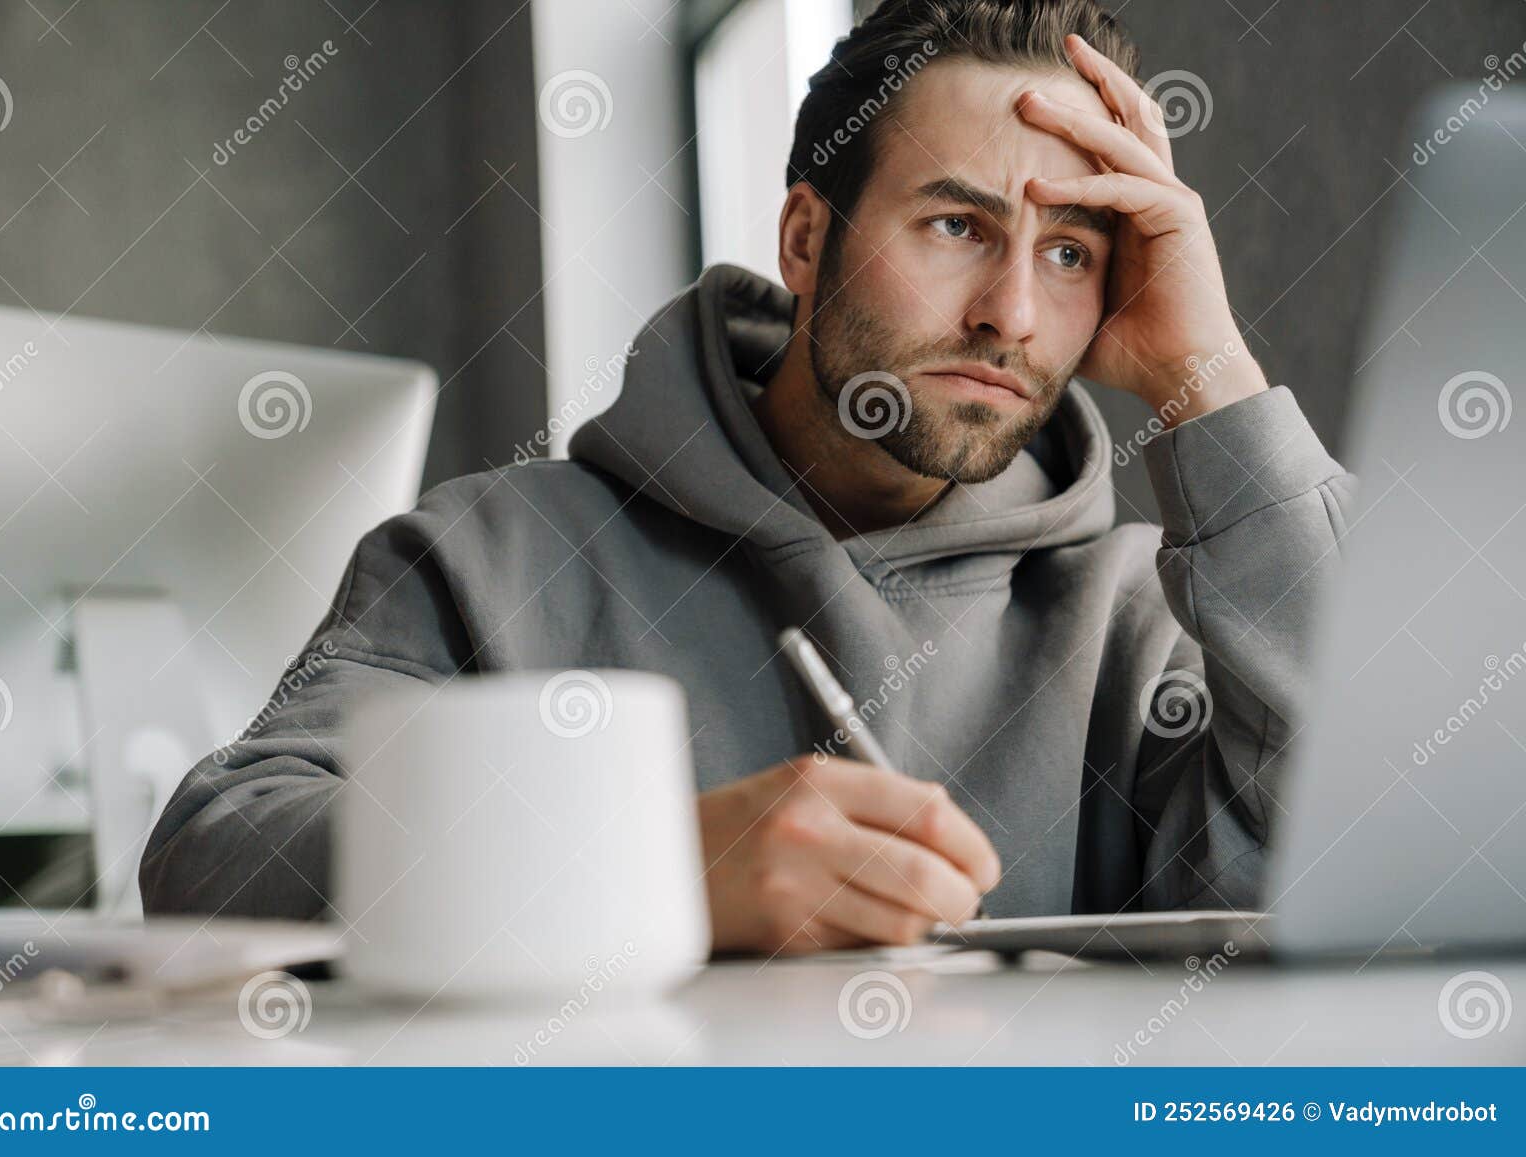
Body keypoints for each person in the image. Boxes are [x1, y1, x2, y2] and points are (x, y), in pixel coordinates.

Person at [141, 0, 1351, 956]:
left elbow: (1380, 851)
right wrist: (643, 868)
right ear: (806, 238)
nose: (1012, 315)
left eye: (1071, 252)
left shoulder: (1145, 619)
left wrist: (1212, 374)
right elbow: (214, 856)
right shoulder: (491, 550)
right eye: (955, 226)